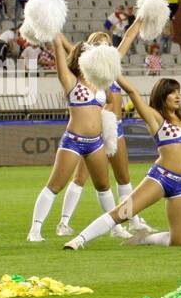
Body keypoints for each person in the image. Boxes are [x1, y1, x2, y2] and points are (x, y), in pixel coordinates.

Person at [65, 78, 181, 248]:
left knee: (180, 241)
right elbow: (132, 93)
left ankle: (144, 239)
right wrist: (115, 73)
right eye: (172, 92)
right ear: (162, 96)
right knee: (123, 212)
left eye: (178, 92)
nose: (177, 96)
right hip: (161, 179)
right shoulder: (156, 117)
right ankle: (79, 240)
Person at [26, 31, 130, 242]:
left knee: (104, 186)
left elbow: (110, 99)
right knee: (55, 185)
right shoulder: (70, 80)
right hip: (73, 141)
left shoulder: (100, 83)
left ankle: (116, 227)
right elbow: (58, 48)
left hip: (95, 143)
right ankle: (34, 230)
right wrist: (53, 32)